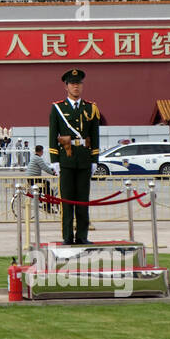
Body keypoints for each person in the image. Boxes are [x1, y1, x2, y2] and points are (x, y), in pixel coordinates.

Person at [48, 67, 101, 246]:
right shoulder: (57, 108)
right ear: (66, 86)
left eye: (78, 84)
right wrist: (54, 161)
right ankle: (67, 236)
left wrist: (95, 160)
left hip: (84, 158)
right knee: (67, 201)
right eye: (72, 84)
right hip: (67, 159)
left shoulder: (91, 108)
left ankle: (82, 235)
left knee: (83, 200)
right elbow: (53, 135)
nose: (76, 87)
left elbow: (94, 135)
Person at [25, 144, 57, 215]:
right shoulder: (38, 158)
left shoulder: (35, 157)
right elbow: (44, 167)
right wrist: (53, 173)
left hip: (31, 178)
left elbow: (45, 165)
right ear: (41, 151)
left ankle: (40, 199)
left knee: (46, 185)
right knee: (49, 190)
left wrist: (51, 169)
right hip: (34, 178)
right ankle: (47, 206)